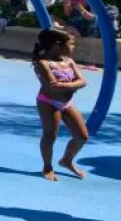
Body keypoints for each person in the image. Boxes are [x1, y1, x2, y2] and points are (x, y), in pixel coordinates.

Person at [31, 28, 90, 181]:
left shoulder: (69, 61)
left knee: (82, 136)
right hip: (48, 102)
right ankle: (47, 167)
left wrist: (65, 85)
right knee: (50, 135)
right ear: (58, 45)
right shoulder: (43, 63)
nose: (74, 47)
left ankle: (66, 160)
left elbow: (83, 81)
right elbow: (52, 88)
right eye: (71, 44)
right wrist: (73, 85)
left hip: (66, 102)